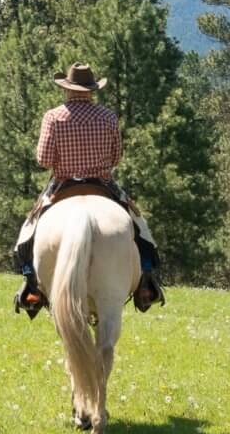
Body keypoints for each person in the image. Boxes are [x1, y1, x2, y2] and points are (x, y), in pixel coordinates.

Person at [12, 63, 162, 319]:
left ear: (67, 89)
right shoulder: (108, 117)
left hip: (62, 183)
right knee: (141, 228)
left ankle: (30, 287)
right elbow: (115, 157)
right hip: (102, 183)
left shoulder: (53, 117)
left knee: (28, 230)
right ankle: (146, 282)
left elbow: (44, 159)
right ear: (92, 90)